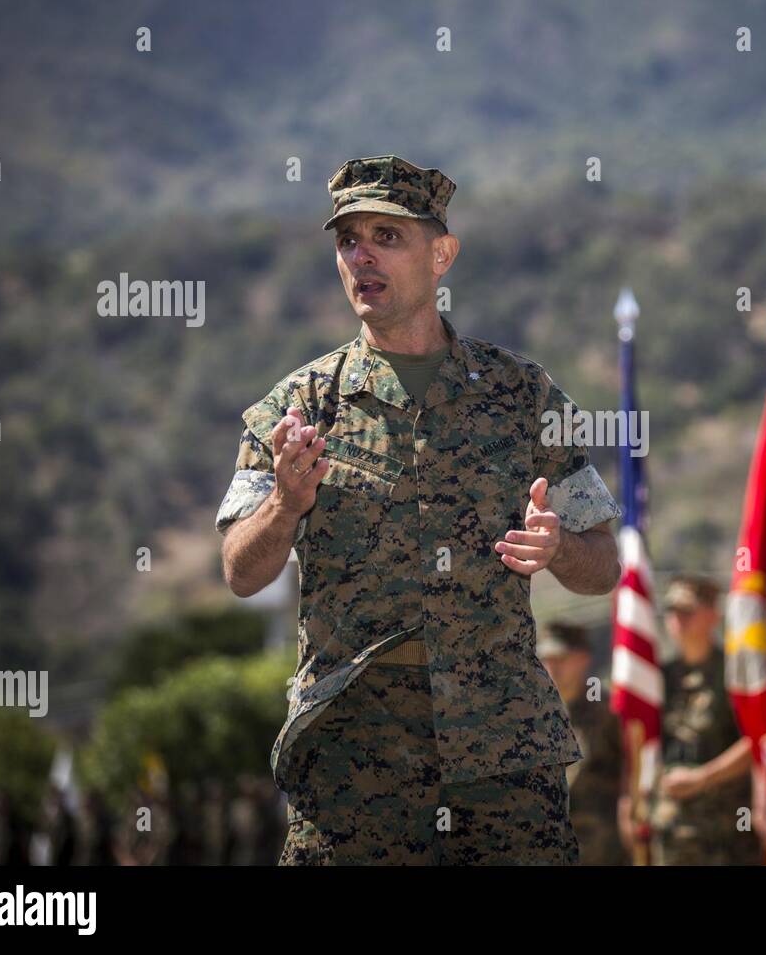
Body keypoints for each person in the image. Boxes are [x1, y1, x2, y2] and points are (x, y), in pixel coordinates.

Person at [216, 155, 622, 864]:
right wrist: (284, 505)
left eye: (386, 235)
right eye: (347, 239)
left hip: (502, 756)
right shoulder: (298, 409)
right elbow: (240, 573)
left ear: (442, 256)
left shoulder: (521, 396)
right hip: (353, 763)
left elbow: (604, 566)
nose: (361, 254)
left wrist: (558, 549)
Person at [649, 574, 763, 865]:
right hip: (672, 827)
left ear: (713, 616)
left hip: (724, 830)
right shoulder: (660, 677)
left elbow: (759, 741)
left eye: (687, 611)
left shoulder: (735, 675)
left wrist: (703, 778)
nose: (678, 619)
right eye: (673, 611)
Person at [537, 622, 629, 865]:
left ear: (582, 659)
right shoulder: (533, 714)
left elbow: (633, 766)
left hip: (603, 848)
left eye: (561, 658)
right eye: (546, 659)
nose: (552, 667)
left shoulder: (607, 710)